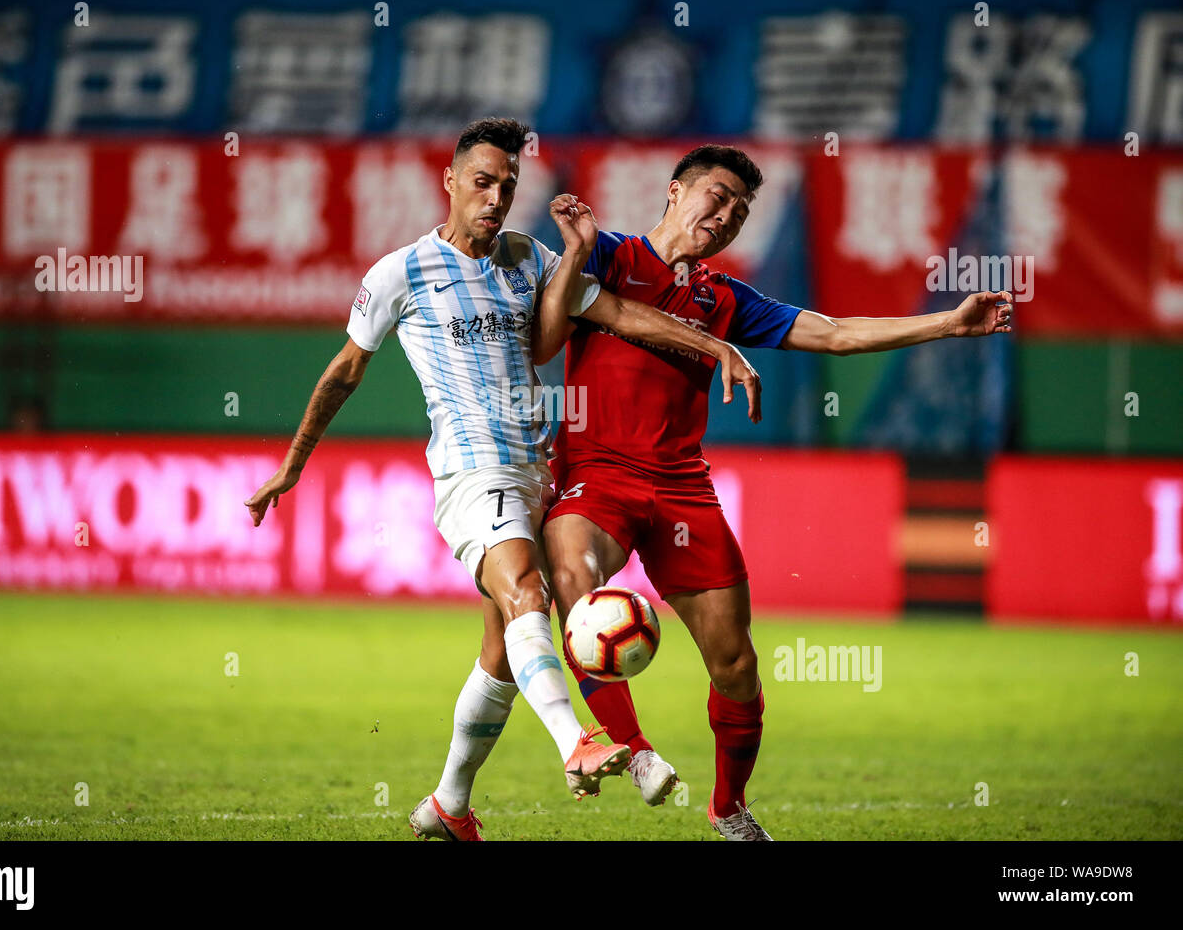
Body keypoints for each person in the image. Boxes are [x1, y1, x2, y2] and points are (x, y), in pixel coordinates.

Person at [244, 121, 763, 842]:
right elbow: (344, 372)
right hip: (470, 471)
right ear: (450, 182)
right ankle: (578, 742)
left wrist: (711, 343)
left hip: (535, 471)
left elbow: (612, 314)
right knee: (530, 593)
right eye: (482, 182)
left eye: (508, 186)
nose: (495, 198)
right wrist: (292, 466)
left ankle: (448, 807)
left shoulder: (527, 258)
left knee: (505, 650)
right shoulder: (400, 272)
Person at [536, 144, 1015, 840]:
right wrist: (577, 252)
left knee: (736, 665)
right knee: (571, 578)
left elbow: (835, 332)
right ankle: (633, 752)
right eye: (717, 196)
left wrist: (948, 323)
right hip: (596, 473)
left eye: (739, 210)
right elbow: (551, 327)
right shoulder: (607, 256)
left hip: (680, 488)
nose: (726, 215)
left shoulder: (724, 300)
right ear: (676, 191)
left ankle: (728, 806)